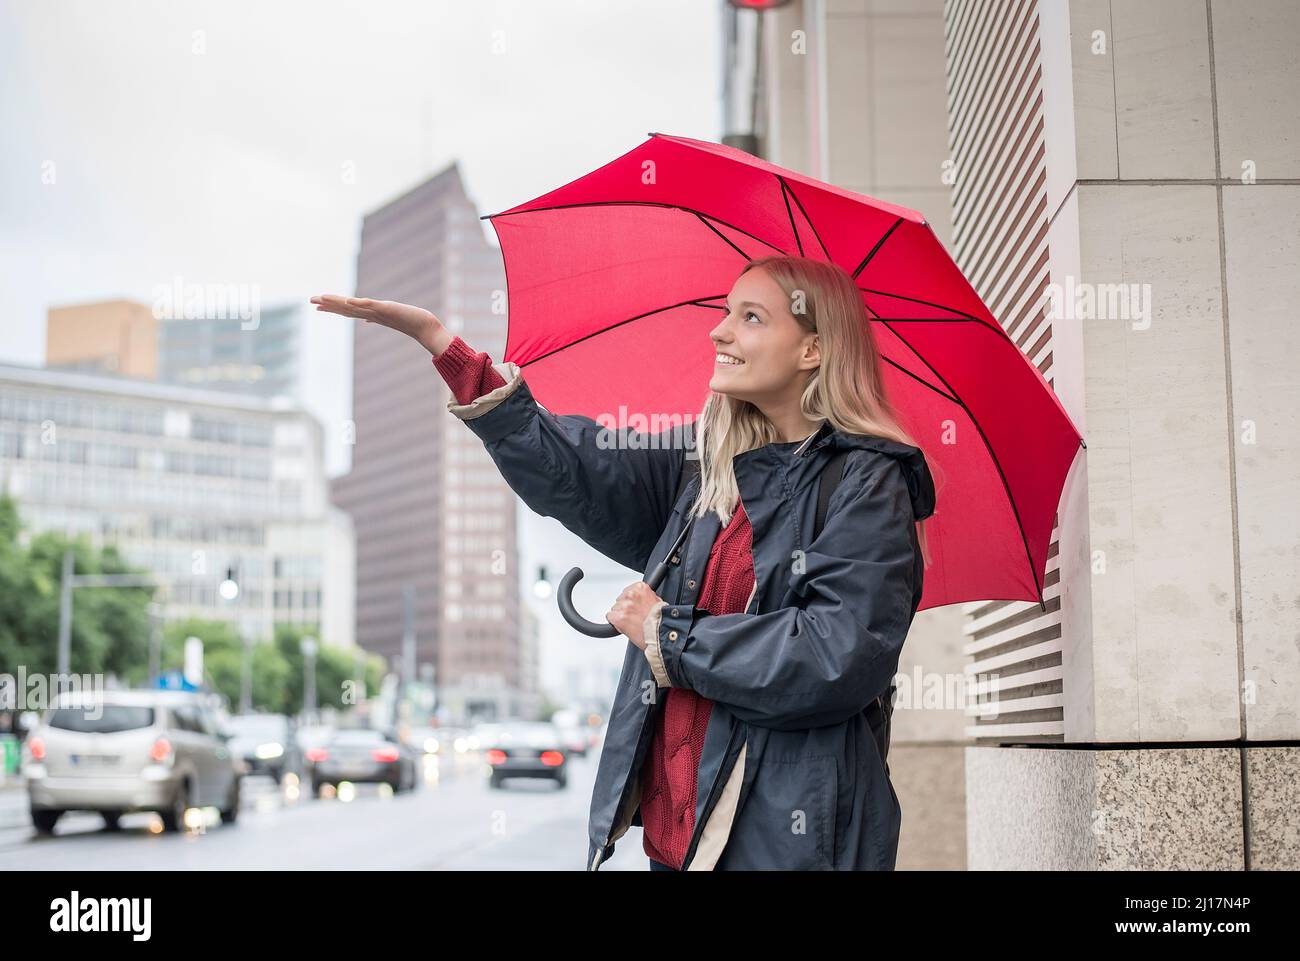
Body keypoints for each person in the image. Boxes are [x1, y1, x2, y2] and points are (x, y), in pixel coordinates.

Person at [311, 253, 937, 870]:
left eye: (751, 317)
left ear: (813, 351)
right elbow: (577, 469)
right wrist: (445, 348)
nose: (719, 331)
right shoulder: (706, 473)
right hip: (678, 841)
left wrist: (667, 634)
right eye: (725, 312)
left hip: (783, 846)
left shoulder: (867, 482)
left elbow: (835, 656)